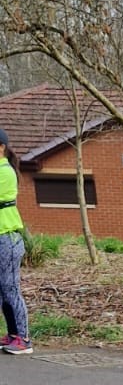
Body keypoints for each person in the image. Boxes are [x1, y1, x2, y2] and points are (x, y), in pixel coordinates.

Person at [0, 129, 32, 355]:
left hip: (7, 237)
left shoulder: (5, 172)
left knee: (10, 288)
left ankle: (23, 338)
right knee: (2, 290)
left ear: (1, 147)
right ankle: (12, 334)